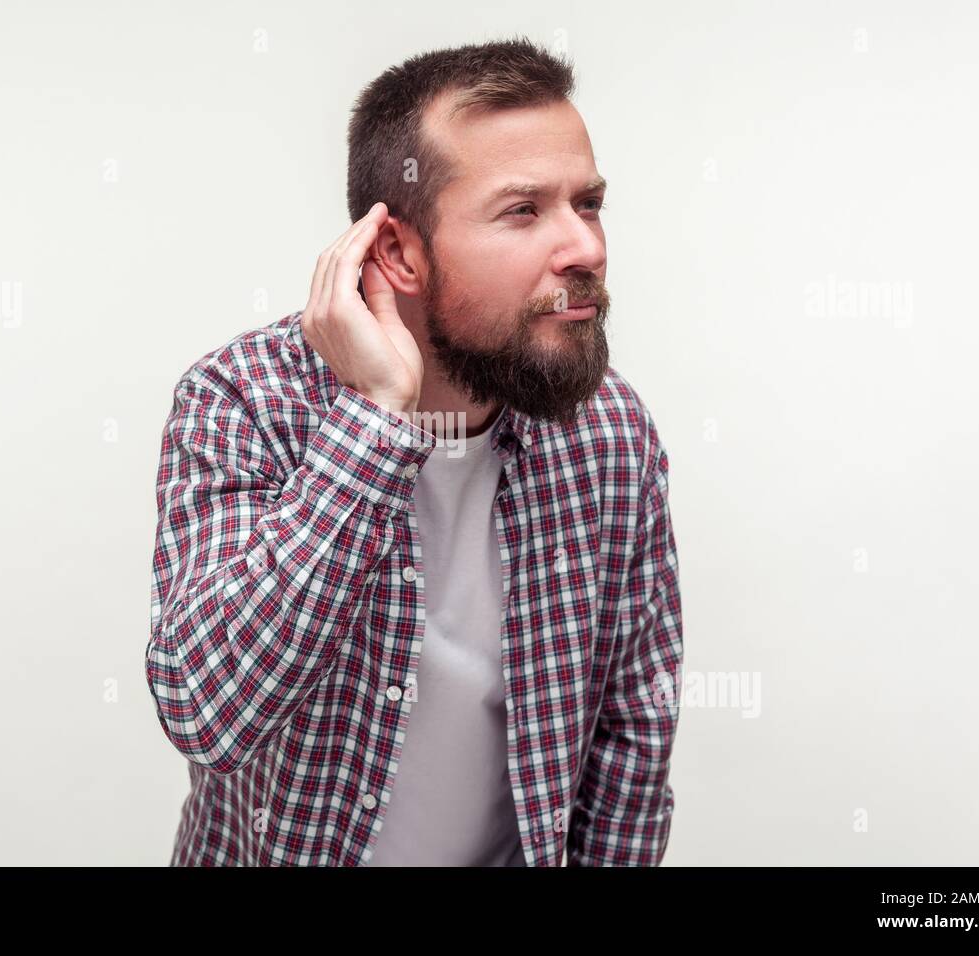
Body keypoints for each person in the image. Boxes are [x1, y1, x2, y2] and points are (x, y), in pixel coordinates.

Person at [146, 35, 684, 866]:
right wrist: (374, 424)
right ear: (397, 252)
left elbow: (631, 739)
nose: (585, 247)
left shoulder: (612, 433)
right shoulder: (241, 399)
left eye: (588, 203)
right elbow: (205, 708)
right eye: (524, 210)